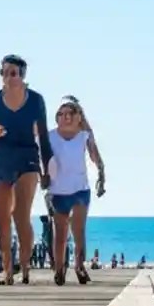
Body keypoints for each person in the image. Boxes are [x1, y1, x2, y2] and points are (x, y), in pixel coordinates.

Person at [0, 54, 52, 285]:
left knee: (21, 215)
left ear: (22, 76)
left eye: (13, 73)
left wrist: (47, 171)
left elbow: (43, 138)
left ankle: (25, 266)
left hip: (28, 158)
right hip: (2, 158)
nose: (8, 78)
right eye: (4, 73)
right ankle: (7, 271)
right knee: (3, 218)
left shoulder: (36, 100)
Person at [46, 98, 105, 285]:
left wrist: (101, 177)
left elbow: (96, 157)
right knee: (60, 234)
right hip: (58, 192)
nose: (66, 117)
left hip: (80, 190)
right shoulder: (49, 136)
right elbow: (41, 159)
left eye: (70, 114)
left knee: (78, 231)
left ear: (78, 117)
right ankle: (59, 269)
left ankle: (79, 266)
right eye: (61, 114)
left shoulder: (84, 135)